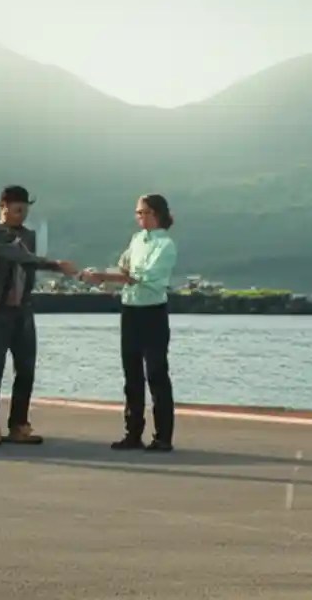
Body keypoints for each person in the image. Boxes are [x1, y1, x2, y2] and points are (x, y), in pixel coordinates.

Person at [0, 185, 77, 445]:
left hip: (23, 309)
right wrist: (55, 265)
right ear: (3, 207)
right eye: (17, 210)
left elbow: (28, 260)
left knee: (26, 369)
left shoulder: (29, 235)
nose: (22, 215)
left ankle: (19, 424)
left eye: (25, 210)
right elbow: (19, 255)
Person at [86, 194, 179, 452]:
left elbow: (143, 276)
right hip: (131, 310)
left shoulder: (165, 245)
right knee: (132, 374)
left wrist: (107, 276)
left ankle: (163, 436)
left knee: (156, 373)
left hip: (153, 312)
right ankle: (133, 433)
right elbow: (124, 268)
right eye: (138, 213)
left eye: (143, 212)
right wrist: (102, 276)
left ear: (155, 214)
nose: (139, 217)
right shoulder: (137, 239)